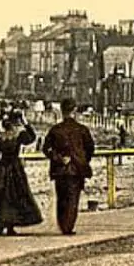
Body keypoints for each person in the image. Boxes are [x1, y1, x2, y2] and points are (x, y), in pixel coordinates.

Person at [42, 98, 95, 235]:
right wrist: (83, 161)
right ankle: (68, 226)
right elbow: (90, 148)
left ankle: (63, 225)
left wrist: (58, 158)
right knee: (73, 198)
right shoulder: (82, 130)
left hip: (60, 170)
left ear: (61, 110)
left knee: (61, 197)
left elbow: (45, 149)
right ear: (75, 110)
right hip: (77, 169)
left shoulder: (55, 130)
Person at [0, 112, 43, 235]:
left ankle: (0, 225)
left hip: (2, 168)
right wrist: (25, 123)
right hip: (15, 168)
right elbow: (32, 137)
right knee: (15, 196)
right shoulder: (18, 136)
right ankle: (10, 226)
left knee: (0, 196)